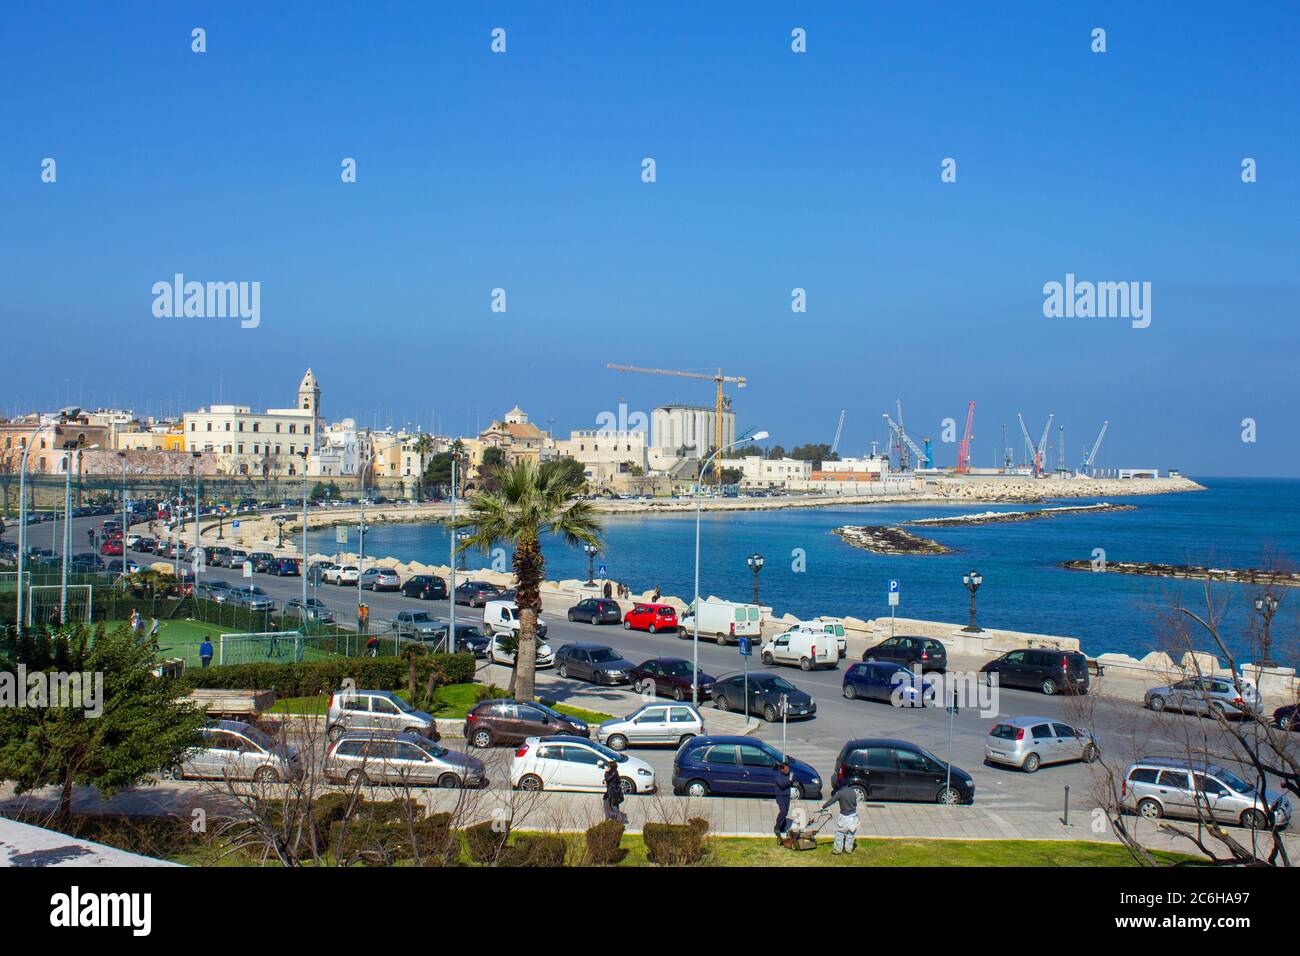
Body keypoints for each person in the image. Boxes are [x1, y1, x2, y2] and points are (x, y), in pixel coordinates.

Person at [820, 784, 860, 854]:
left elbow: (831, 801)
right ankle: (848, 849)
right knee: (850, 833)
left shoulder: (840, 793)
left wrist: (823, 807)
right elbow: (855, 804)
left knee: (840, 833)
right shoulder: (853, 792)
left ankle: (838, 850)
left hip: (844, 816)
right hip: (853, 816)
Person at [773, 761, 793, 842]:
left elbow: (790, 782)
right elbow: (782, 784)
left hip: (787, 795)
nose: (788, 770)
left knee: (786, 811)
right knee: (783, 811)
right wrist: (790, 780)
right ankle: (777, 827)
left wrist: (791, 780)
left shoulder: (788, 774)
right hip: (780, 795)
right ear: (782, 769)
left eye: (788, 768)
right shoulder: (778, 775)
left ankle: (782, 826)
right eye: (786, 769)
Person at [602, 758, 625, 823]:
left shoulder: (614, 772)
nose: (607, 767)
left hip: (613, 793)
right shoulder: (613, 772)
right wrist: (604, 781)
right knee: (606, 805)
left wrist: (606, 772)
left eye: (608, 766)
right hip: (610, 792)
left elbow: (607, 778)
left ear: (611, 767)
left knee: (614, 806)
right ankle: (608, 818)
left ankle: (619, 820)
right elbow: (606, 780)